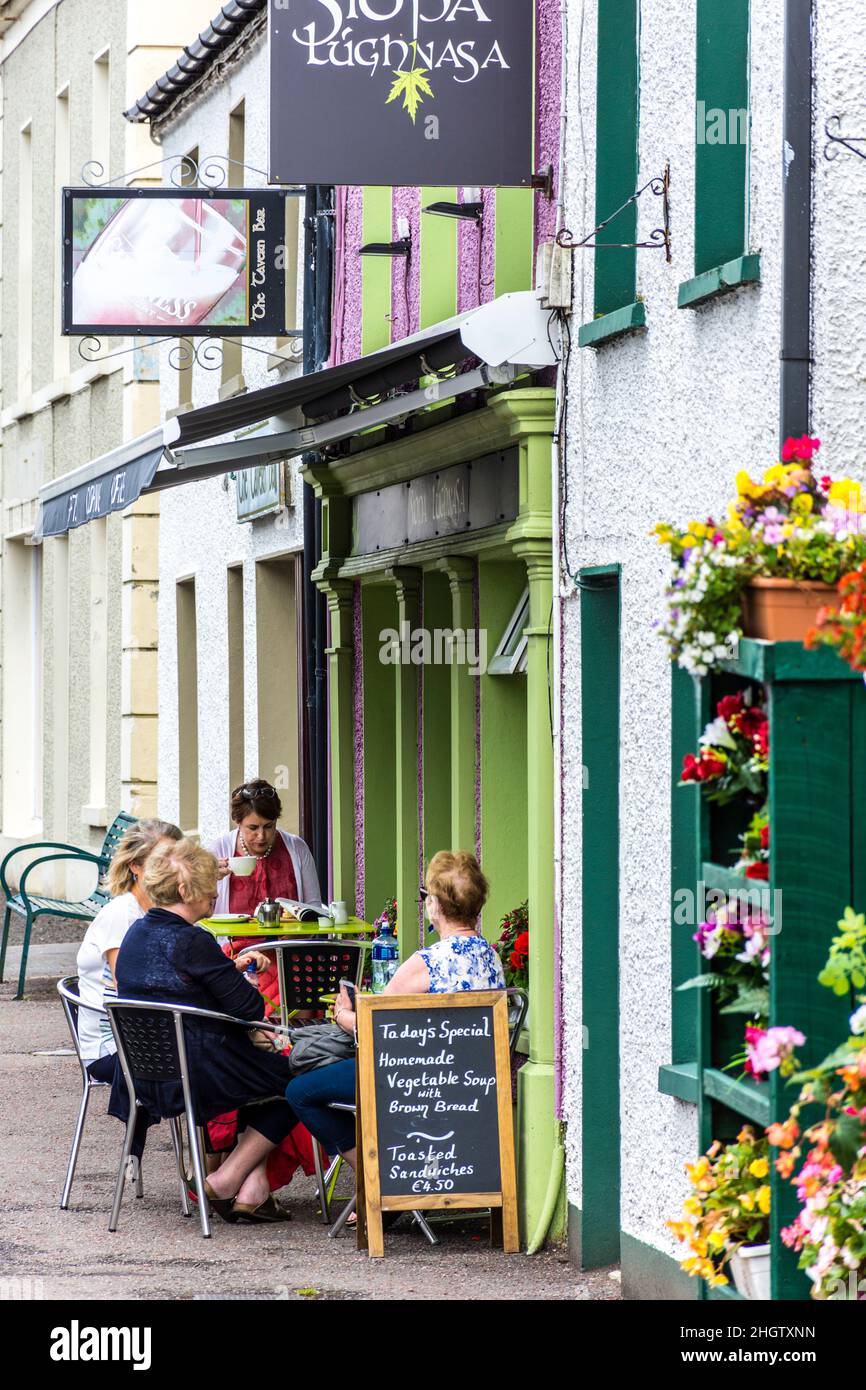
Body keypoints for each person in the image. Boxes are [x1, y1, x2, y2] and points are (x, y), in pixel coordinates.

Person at [285, 851, 505, 1178]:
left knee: (300, 1092)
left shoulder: (426, 963)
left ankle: (376, 1180)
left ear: (435, 905)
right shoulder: (491, 958)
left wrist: (345, 1014)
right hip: (473, 1085)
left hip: (414, 1084)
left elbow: (374, 1029)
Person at [114, 838, 300, 1224]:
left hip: (144, 1073)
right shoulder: (192, 940)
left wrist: (227, 971)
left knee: (267, 1079)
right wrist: (247, 977)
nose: (216, 894)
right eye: (209, 887)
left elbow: (168, 987)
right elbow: (249, 1009)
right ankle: (226, 1180)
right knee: (297, 1084)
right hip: (201, 1070)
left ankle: (251, 1188)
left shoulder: (136, 933)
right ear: (184, 890)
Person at [76, 819, 183, 1087]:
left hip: (141, 1034)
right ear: (135, 866)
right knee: (219, 1059)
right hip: (112, 1046)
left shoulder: (159, 910)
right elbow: (127, 988)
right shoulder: (123, 914)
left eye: (177, 858)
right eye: (160, 860)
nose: (172, 868)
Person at [209, 779, 322, 917]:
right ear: (237, 822)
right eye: (253, 828)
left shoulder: (297, 847)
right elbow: (199, 913)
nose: (261, 836)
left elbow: (314, 907)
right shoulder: (219, 849)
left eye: (269, 826)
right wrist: (209, 879)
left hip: (290, 938)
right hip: (233, 938)